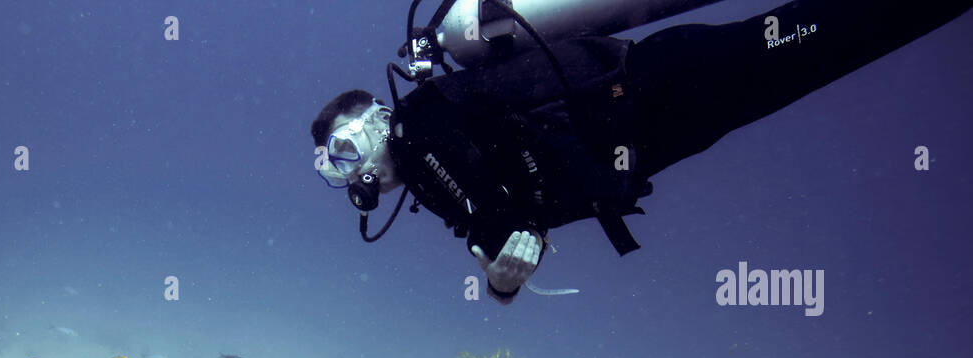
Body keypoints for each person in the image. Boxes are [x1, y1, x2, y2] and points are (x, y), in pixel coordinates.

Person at [312, 0, 971, 304]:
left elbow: (492, 209)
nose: (352, 177)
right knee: (826, 54)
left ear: (372, 120)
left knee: (820, 38)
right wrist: (503, 281)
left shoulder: (423, 122)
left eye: (343, 153)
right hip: (657, 127)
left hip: (656, 83)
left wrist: (501, 264)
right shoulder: (433, 181)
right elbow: (502, 229)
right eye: (334, 171)